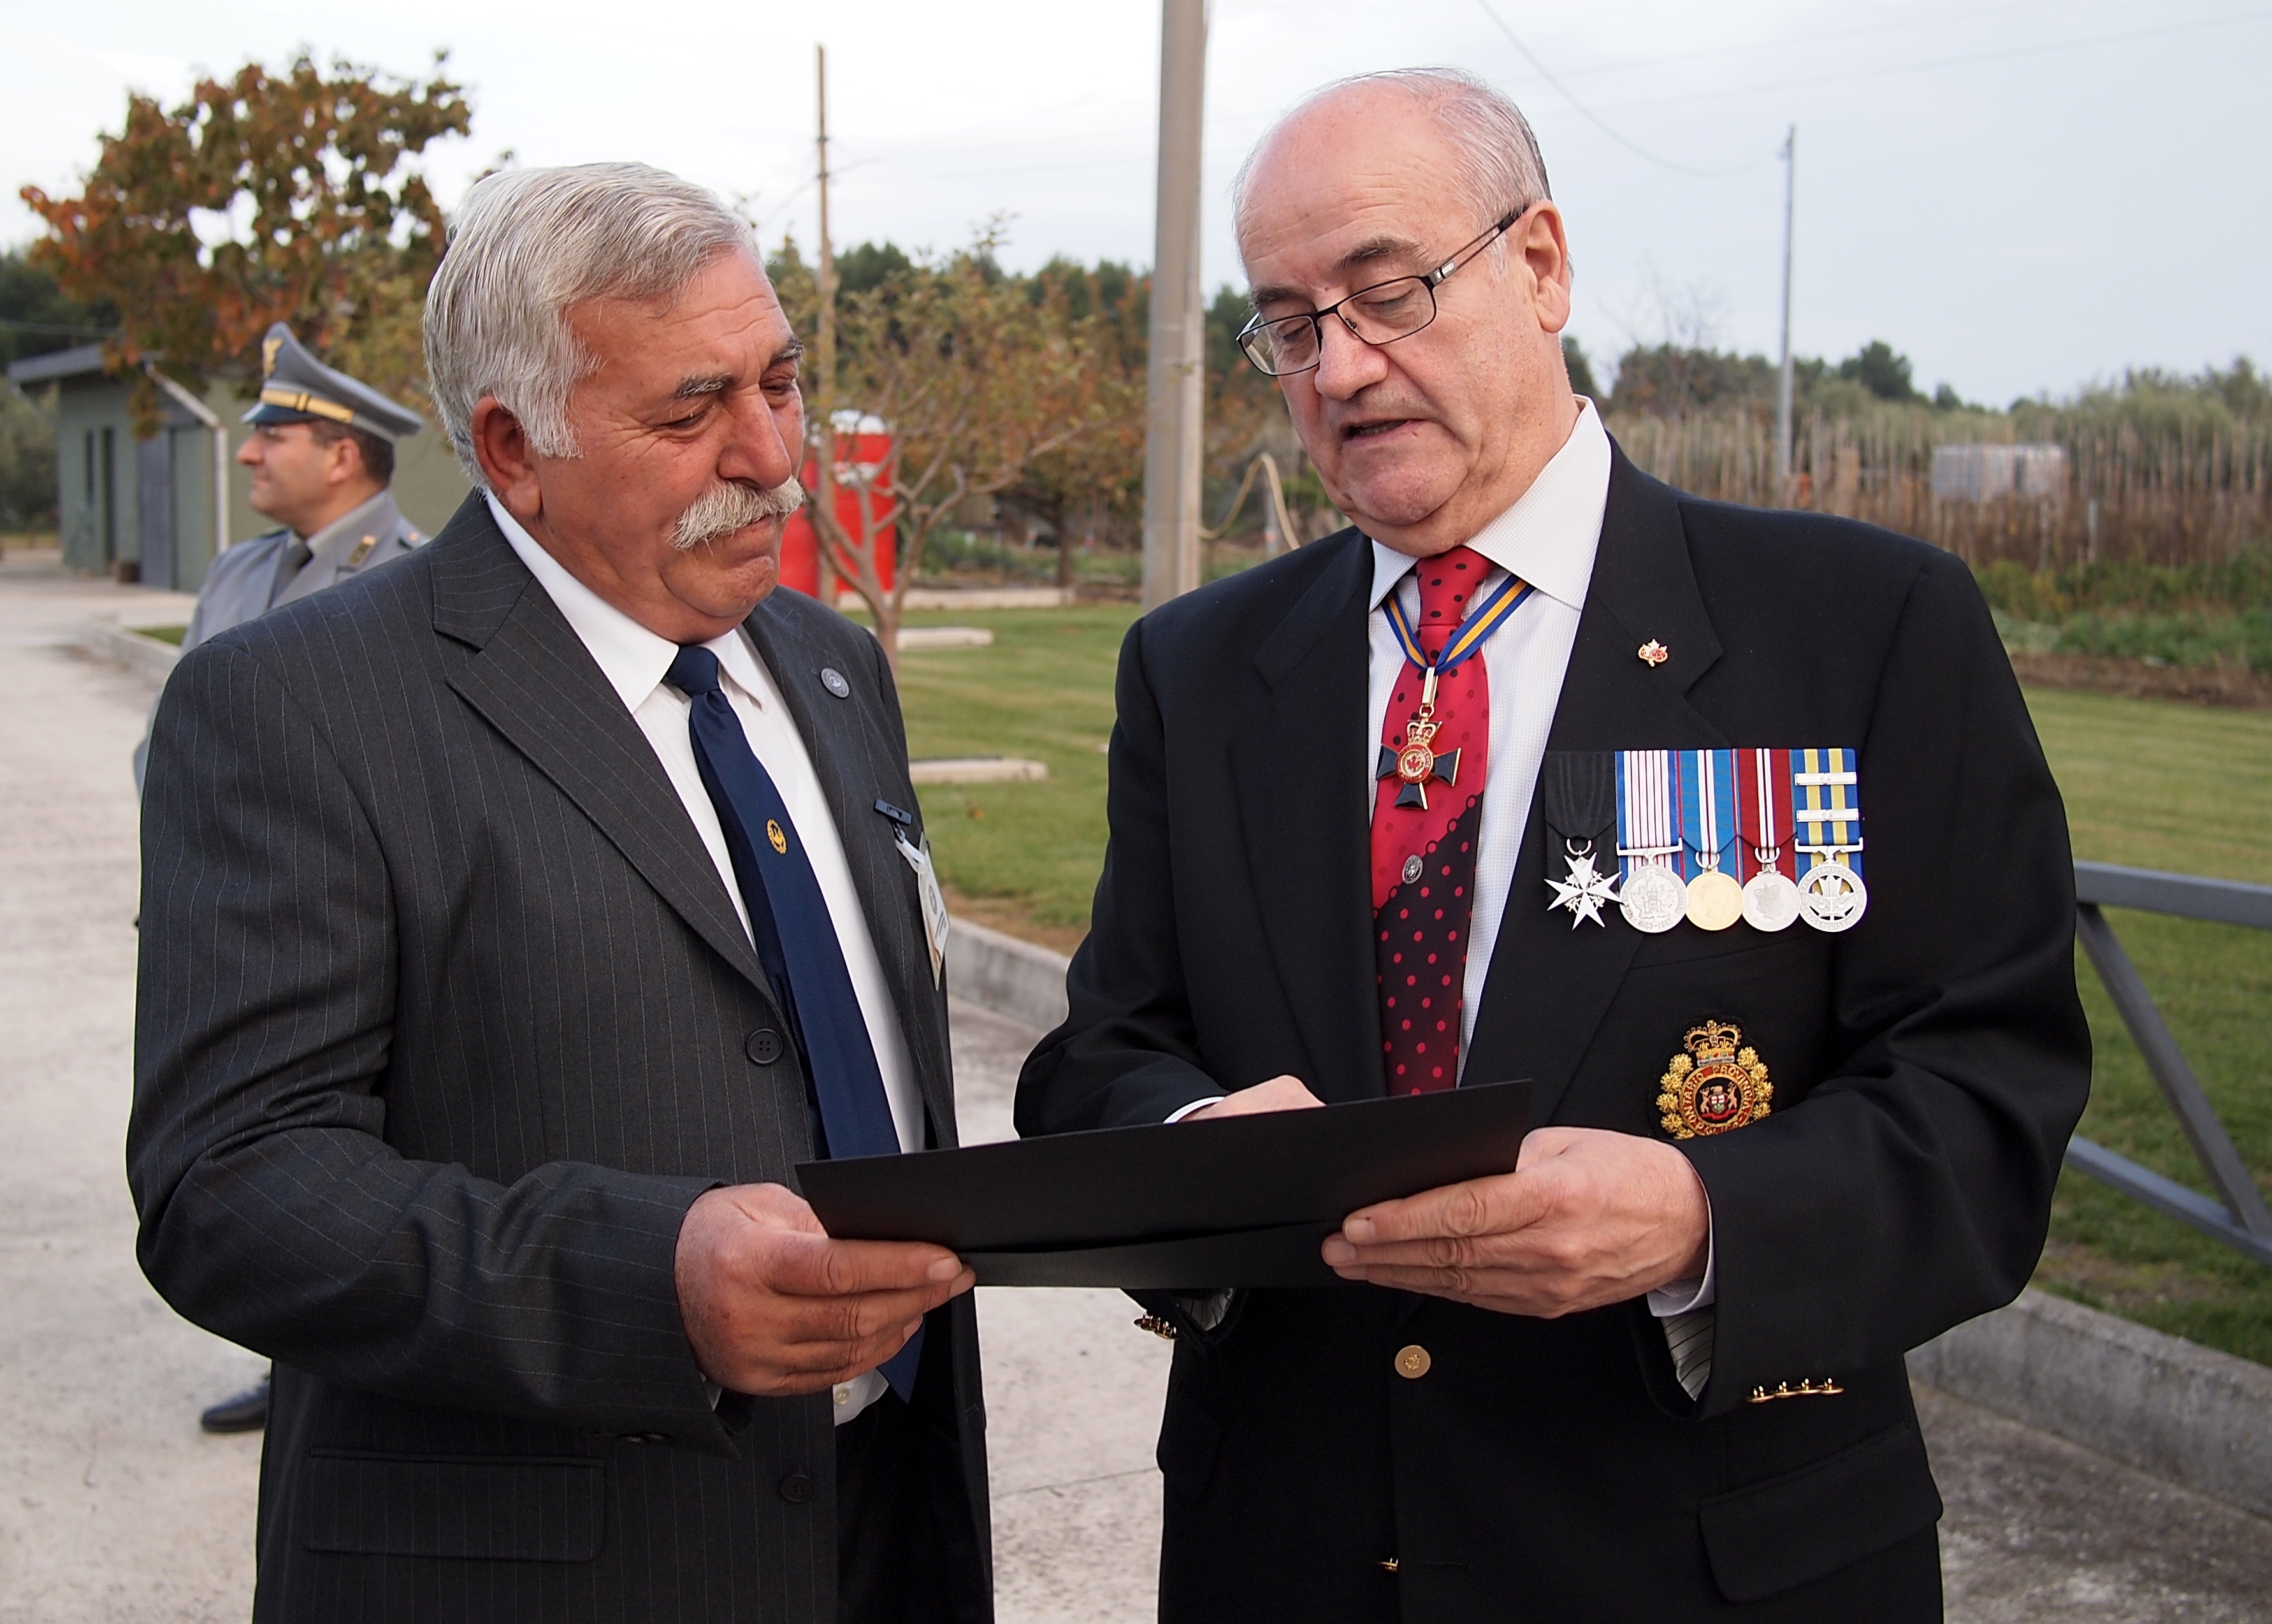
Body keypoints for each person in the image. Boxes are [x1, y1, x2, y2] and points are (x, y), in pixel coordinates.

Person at [1015, 69, 2088, 1622]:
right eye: (1289, 324)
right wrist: (1194, 1157)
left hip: (1705, 1561)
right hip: (1294, 1553)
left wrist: (1699, 1216)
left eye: (1386, 292)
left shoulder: (1862, 629)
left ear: (1539, 266)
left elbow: (1987, 1101)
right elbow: (1102, 1053)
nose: (1340, 364)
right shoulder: (1196, 668)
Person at [130, 163, 990, 1623]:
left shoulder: (834, 670)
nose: (773, 451)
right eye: (691, 408)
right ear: (512, 448)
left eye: (780, 381)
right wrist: (642, 1279)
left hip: (885, 1527)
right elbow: (232, 1185)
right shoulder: (297, 702)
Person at [157, 326, 428, 1429]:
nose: (247, 452)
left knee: (346, 1159)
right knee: (235, 1159)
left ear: (346, 454)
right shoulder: (237, 572)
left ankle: (340, 1370)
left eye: (272, 430)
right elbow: (172, 749)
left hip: (354, 946)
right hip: (221, 931)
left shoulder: (409, 584)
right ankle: (292, 1360)